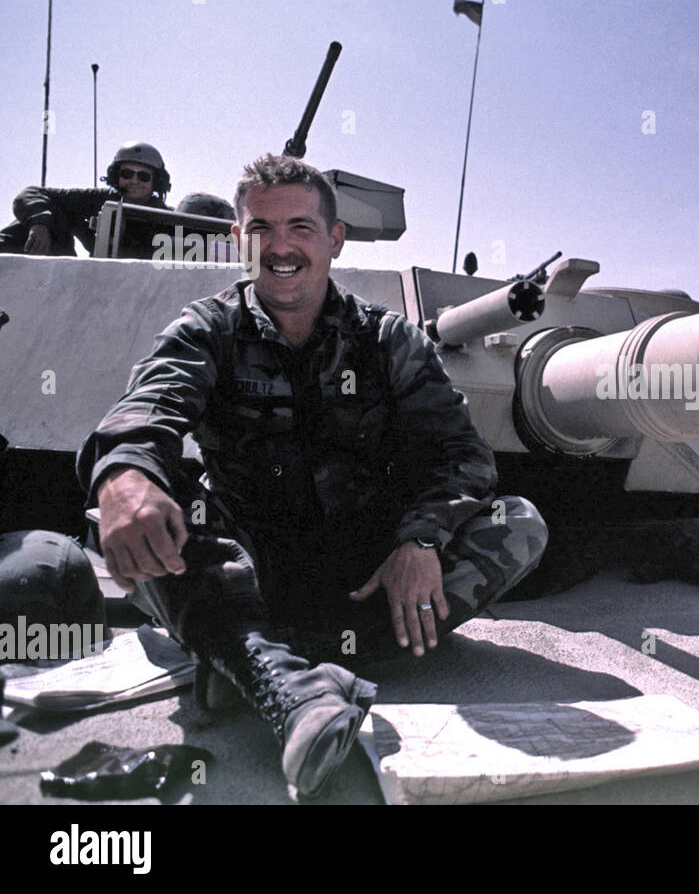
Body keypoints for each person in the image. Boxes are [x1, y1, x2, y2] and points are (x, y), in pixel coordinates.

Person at [75, 153, 548, 797]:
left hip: (369, 576)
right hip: (250, 570)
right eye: (261, 229)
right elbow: (147, 407)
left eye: (300, 227)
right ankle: (288, 685)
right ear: (240, 241)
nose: (280, 246)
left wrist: (422, 539)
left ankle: (243, 653)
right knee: (122, 509)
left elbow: (461, 456)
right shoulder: (207, 329)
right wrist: (128, 476)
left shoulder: (388, 340)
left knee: (516, 524)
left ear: (334, 239)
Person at [0, 141, 173, 259]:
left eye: (143, 176)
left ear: (156, 182)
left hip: (149, 285)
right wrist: (39, 223)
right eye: (127, 174)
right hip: (92, 281)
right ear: (116, 176)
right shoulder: (97, 200)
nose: (134, 181)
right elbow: (31, 193)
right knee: (44, 212)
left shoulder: (168, 219)